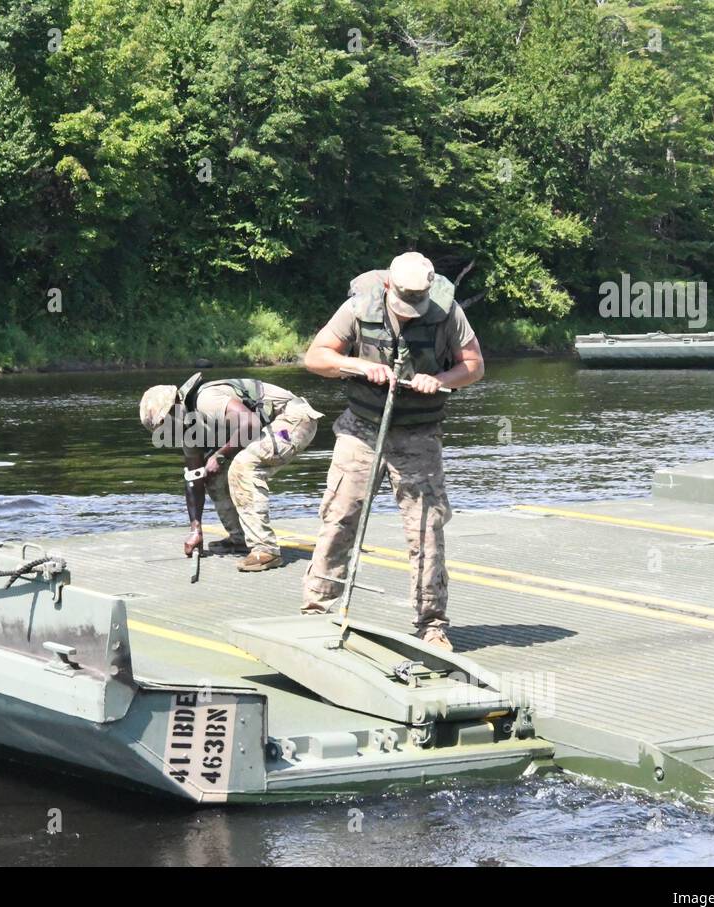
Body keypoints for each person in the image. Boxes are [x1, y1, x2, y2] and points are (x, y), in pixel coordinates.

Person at [300, 251, 484, 651]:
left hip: (418, 434)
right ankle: (318, 608)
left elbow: (474, 365)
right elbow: (316, 357)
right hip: (361, 429)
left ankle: (431, 623)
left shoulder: (448, 314)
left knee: (426, 529)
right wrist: (360, 367)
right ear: (387, 286)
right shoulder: (357, 306)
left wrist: (439, 379)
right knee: (340, 516)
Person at [139, 376, 322, 572]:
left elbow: (250, 423)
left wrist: (219, 456)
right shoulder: (186, 430)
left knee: (243, 466)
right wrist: (196, 530)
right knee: (213, 475)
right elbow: (194, 477)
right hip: (266, 426)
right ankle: (241, 538)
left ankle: (265, 549)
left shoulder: (206, 399)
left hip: (292, 418)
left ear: (176, 405)